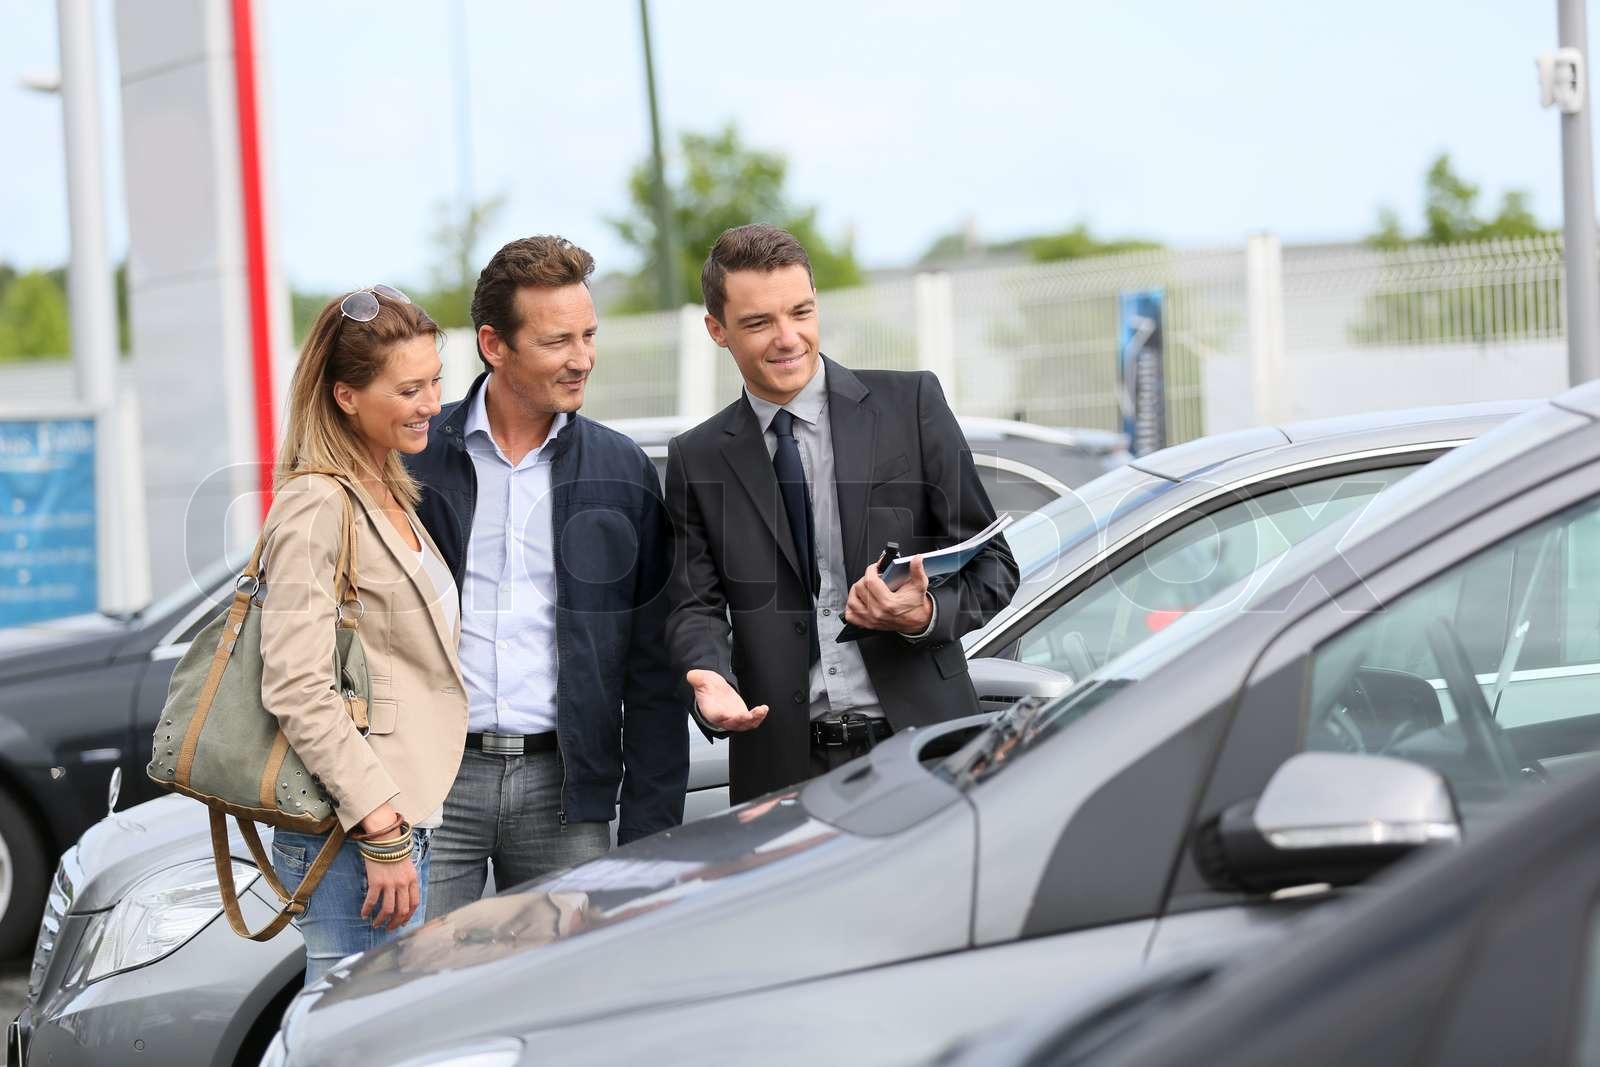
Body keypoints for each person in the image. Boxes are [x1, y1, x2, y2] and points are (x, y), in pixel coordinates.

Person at [665, 224, 1020, 803]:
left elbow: (996, 566)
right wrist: (705, 674)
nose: (788, 338)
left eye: (800, 312)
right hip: (780, 766)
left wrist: (924, 613)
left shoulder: (912, 405)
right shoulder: (696, 458)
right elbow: (692, 606)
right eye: (759, 323)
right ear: (717, 330)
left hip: (926, 750)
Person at [408, 235, 688, 919]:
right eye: (558, 341)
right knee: (410, 997)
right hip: (429, 783)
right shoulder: (411, 461)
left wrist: (649, 830)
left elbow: (654, 665)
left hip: (567, 790)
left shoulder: (622, 472)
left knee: (570, 1001)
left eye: (589, 335)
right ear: (494, 345)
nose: (583, 358)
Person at [261, 285, 467, 983]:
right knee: (356, 1040)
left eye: (434, 380)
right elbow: (295, 685)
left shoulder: (386, 489)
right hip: (357, 829)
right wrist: (381, 827)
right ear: (346, 395)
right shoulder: (317, 501)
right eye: (408, 389)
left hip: (393, 817)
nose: (431, 403)